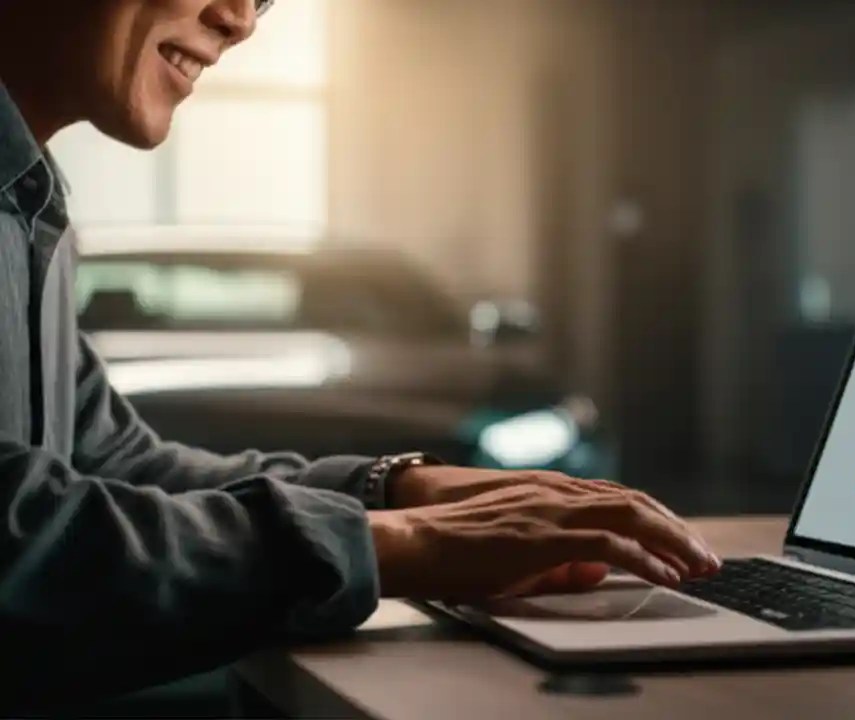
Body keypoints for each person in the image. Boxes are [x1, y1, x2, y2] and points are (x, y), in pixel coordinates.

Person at [0, 0, 719, 709]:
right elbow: (20, 545)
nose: (242, 19)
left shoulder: (31, 207)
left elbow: (120, 467)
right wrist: (406, 543)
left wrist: (398, 488)